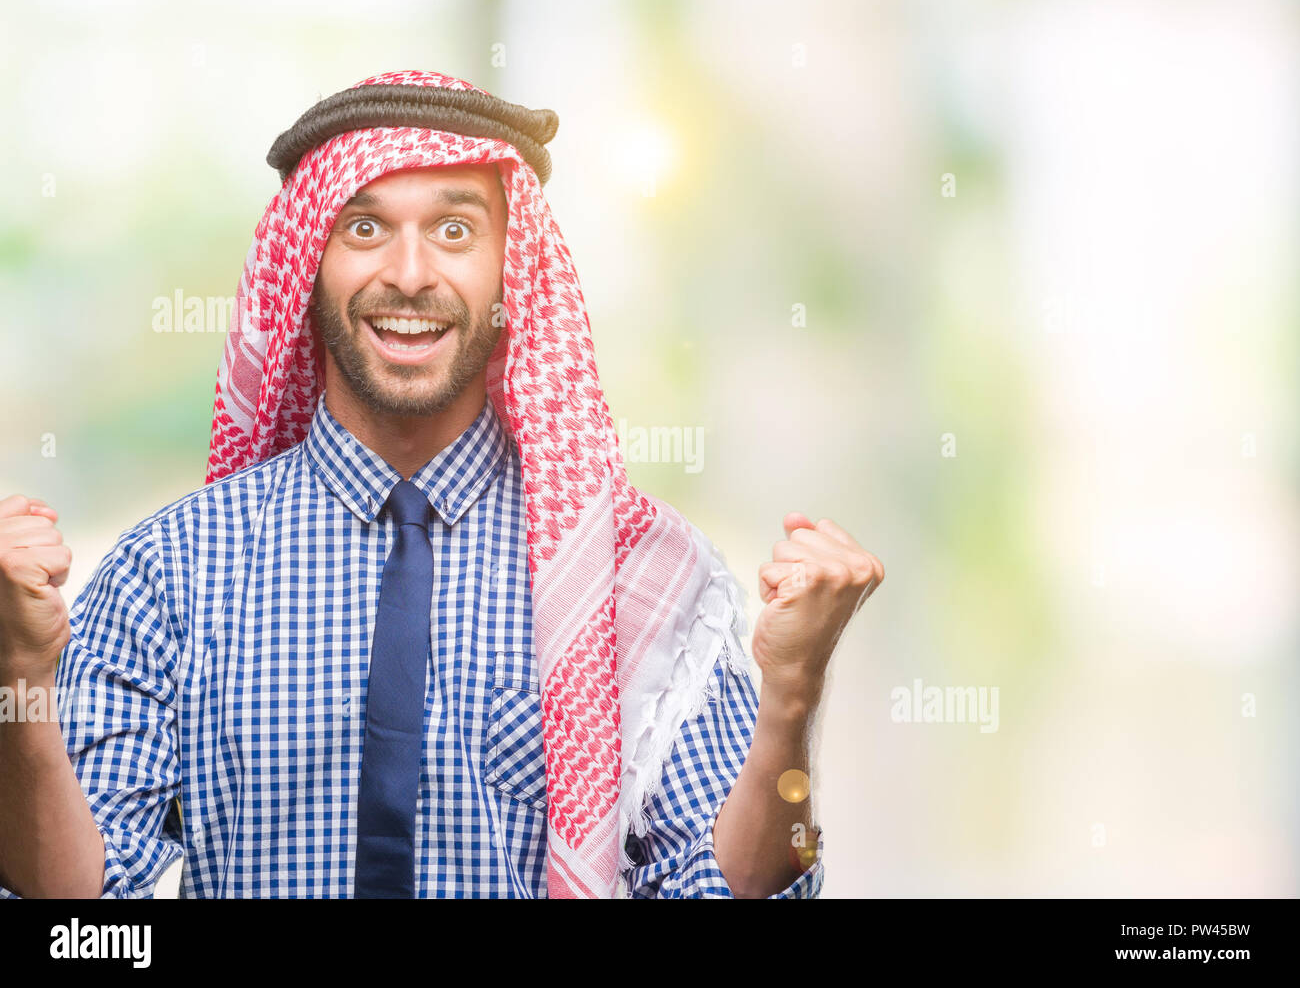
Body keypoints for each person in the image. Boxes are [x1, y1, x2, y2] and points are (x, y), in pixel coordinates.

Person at [0, 69, 883, 899]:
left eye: (455, 230)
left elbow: (749, 892)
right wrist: (20, 680)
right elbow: (78, 926)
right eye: (364, 227)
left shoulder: (633, 573)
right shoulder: (171, 572)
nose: (411, 274)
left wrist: (792, 695)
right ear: (308, 260)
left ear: (514, 272)